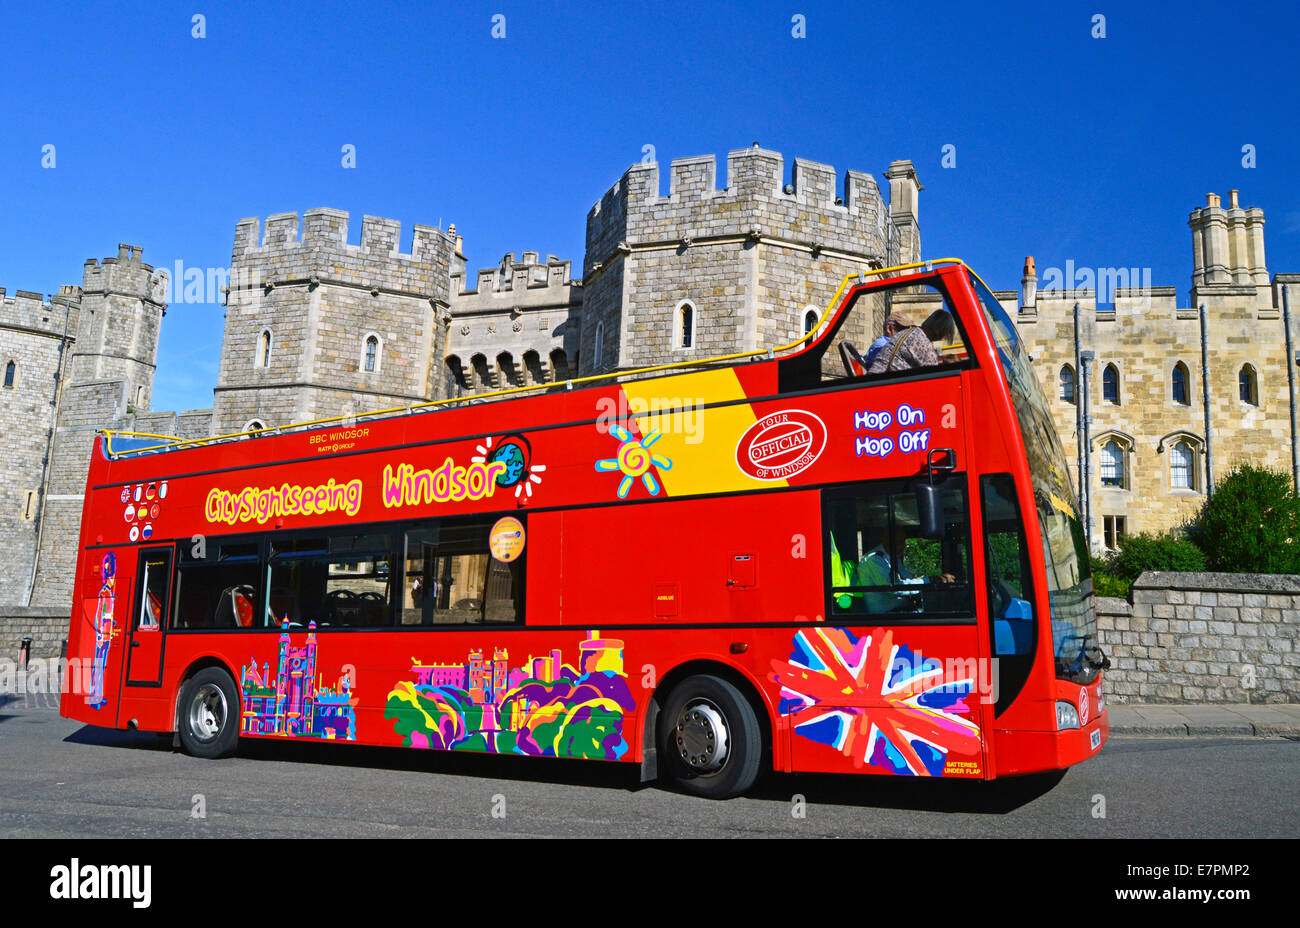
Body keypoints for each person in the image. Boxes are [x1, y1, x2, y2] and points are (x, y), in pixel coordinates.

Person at [856, 523, 955, 613]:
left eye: (903, 541)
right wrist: (930, 580)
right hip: (887, 616)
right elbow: (895, 588)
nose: (902, 546)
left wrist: (927, 580)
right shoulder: (874, 559)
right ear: (886, 539)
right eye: (898, 542)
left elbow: (907, 580)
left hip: (902, 611)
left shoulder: (892, 557)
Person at [866, 311, 942, 374]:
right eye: (902, 329)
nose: (906, 333)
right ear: (889, 328)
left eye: (908, 329)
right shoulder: (882, 344)